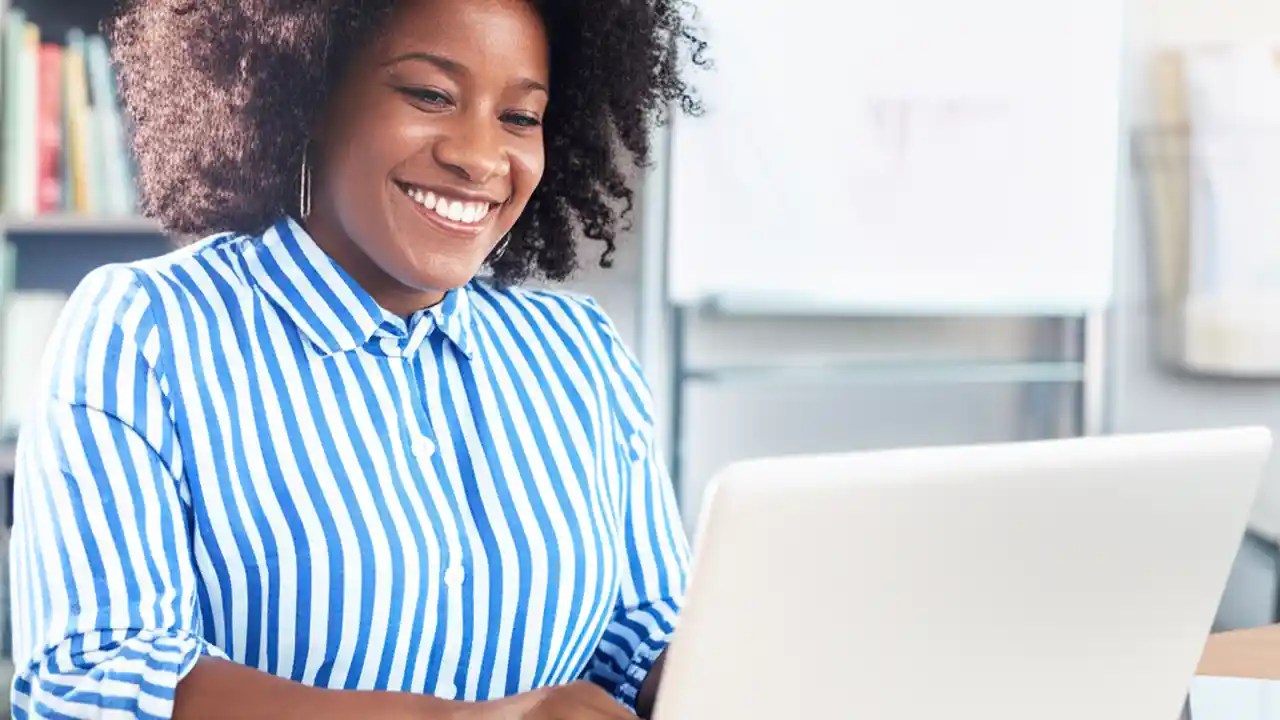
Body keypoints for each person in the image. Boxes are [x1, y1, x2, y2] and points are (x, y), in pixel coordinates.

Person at [10, 0, 706, 717]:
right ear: (307, 91)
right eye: (431, 95)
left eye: (520, 117)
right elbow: (96, 680)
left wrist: (738, 660)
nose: (478, 156)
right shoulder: (148, 330)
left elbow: (639, 627)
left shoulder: (577, 352)